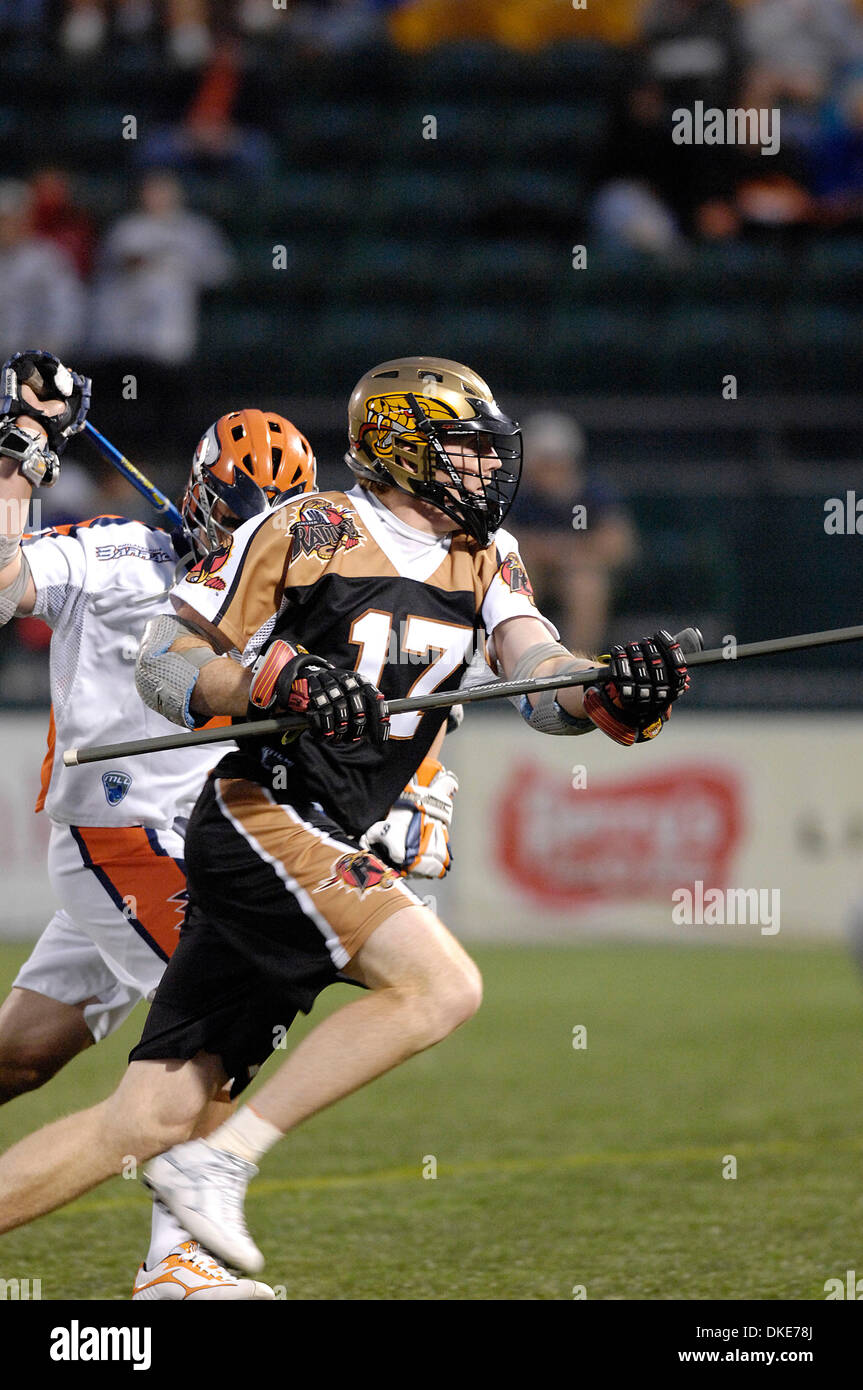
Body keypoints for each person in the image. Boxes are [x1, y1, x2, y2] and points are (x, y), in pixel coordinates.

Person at [0, 356, 691, 1278]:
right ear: (402, 449)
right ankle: (194, 1231)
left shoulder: (485, 554)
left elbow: (535, 676)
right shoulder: (302, 530)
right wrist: (268, 675)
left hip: (290, 828)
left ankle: (195, 1201)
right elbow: (166, 665)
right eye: (467, 451)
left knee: (119, 1103)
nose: (491, 470)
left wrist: (608, 692)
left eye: (490, 453)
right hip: (228, 822)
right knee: (438, 985)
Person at [0, 351, 320, 1296]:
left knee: (22, 1055)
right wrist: (17, 463)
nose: (249, 532)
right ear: (198, 492)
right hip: (116, 835)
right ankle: (176, 1266)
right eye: (236, 506)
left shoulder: (280, 597)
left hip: (194, 843)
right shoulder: (113, 553)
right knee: (218, 1018)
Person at [513, 413, 636, 655]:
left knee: (585, 585)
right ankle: (517, 664)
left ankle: (577, 672)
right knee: (513, 580)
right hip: (534, 571)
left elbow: (620, 545)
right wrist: (541, 550)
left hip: (578, 570)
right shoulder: (518, 493)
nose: (551, 469)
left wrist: (567, 551)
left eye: (557, 460)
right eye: (544, 461)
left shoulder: (594, 492)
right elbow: (502, 542)